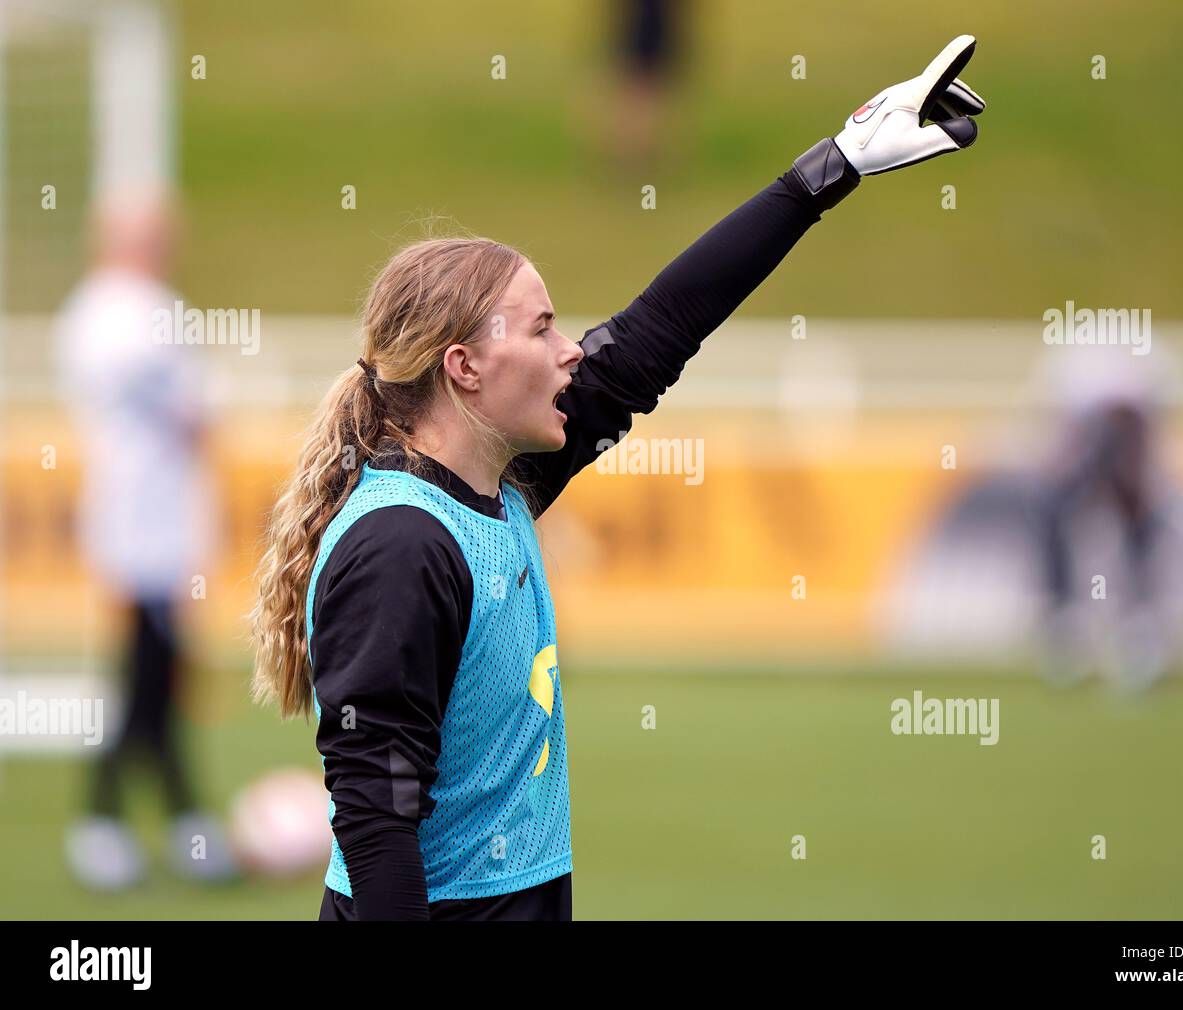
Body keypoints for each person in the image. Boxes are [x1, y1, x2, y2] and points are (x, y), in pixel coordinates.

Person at [250, 35, 985, 920]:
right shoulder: (401, 543)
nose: (571, 353)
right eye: (543, 329)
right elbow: (376, 828)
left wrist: (829, 170)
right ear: (464, 367)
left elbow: (653, 337)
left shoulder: (502, 481)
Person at [56, 186, 235, 890]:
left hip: (156, 518)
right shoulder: (121, 313)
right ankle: (110, 820)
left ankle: (177, 824)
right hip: (140, 519)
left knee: (156, 673)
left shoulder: (121, 311)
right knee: (146, 674)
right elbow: (191, 411)